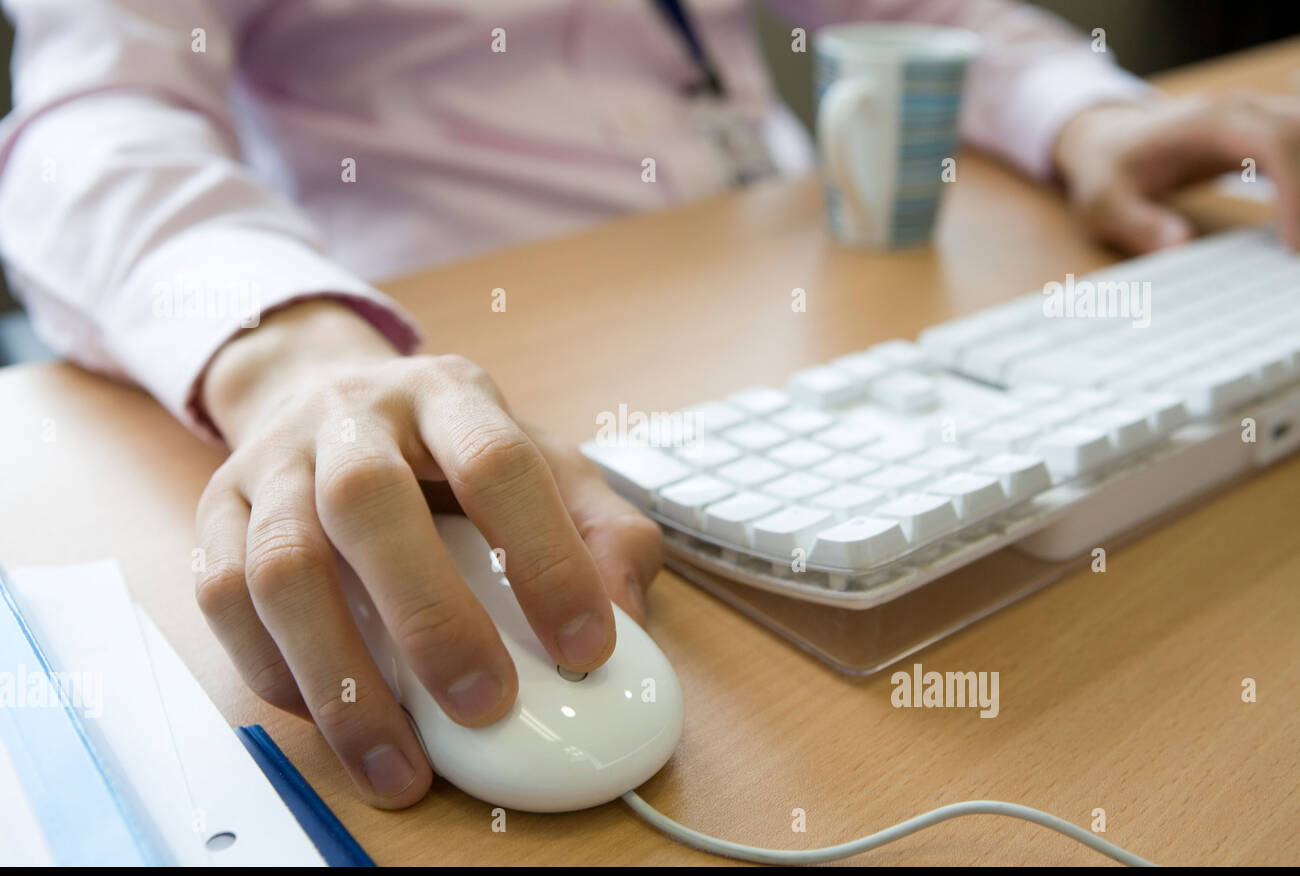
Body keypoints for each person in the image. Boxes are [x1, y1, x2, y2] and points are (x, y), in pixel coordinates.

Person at [1, 0, 1296, 809]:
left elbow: (914, 8)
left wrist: (1086, 112)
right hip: (443, 327)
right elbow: (91, 117)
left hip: (766, 293)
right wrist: (284, 350)